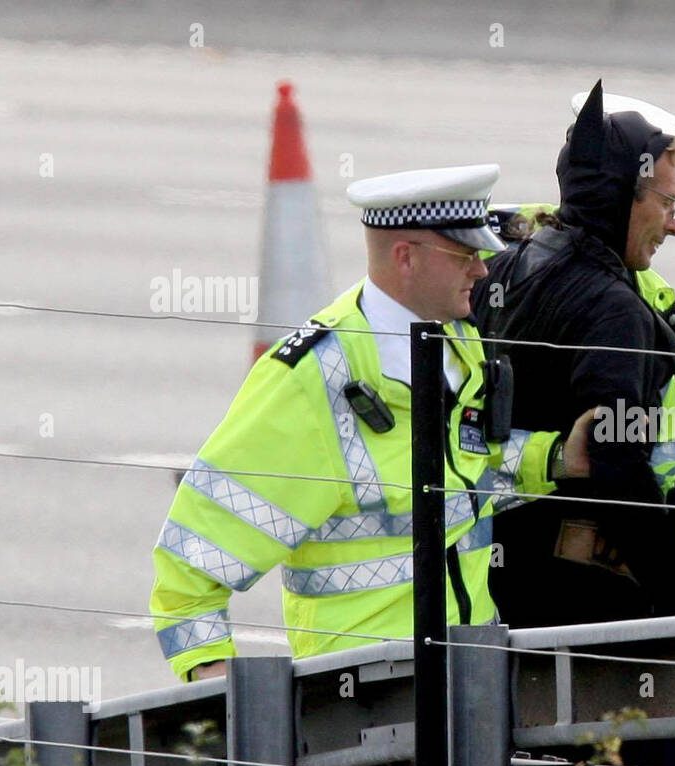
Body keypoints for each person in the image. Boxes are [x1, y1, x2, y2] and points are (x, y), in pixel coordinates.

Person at [150, 164, 590, 681]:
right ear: (406, 257)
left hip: (471, 677)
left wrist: (558, 458)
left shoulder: (457, 343)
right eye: (466, 255)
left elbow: (463, 474)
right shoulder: (311, 380)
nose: (482, 271)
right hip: (364, 702)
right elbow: (190, 568)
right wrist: (227, 700)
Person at [473, 81, 675, 628]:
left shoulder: (509, 268)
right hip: (582, 599)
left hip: (496, 582)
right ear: (621, 194)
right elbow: (617, 468)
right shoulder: (614, 309)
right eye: (669, 203)